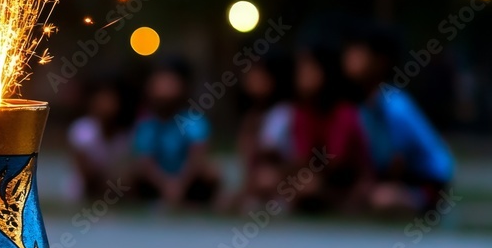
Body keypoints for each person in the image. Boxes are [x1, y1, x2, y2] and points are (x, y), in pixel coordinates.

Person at [342, 25, 454, 214]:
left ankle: (425, 206)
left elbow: (398, 161)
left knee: (380, 199)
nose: (349, 58)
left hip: (426, 181)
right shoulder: (365, 104)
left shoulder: (394, 105)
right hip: (395, 177)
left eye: (358, 53)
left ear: (380, 61)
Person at [277, 43, 373, 213]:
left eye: (309, 70)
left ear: (327, 72)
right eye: (300, 70)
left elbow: (335, 161)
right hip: (314, 178)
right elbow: (301, 157)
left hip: (348, 183)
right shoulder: (302, 112)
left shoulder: (344, 113)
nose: (301, 76)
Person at [130, 57, 221, 208]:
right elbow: (145, 161)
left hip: (189, 182)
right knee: (130, 172)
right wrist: (165, 184)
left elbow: (197, 157)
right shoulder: (146, 124)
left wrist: (180, 184)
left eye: (169, 83)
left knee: (212, 171)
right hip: (156, 184)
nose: (163, 88)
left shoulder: (193, 120)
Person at [235, 50, 294, 210]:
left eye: (258, 74)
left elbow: (269, 152)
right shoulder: (252, 115)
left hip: (282, 177)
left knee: (265, 178)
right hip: (257, 176)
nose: (251, 78)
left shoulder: (283, 112)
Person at [67, 77, 133, 202]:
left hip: (115, 199)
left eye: (112, 101)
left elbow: (127, 177)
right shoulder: (81, 130)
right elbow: (87, 174)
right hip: (83, 196)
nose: (108, 106)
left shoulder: (124, 137)